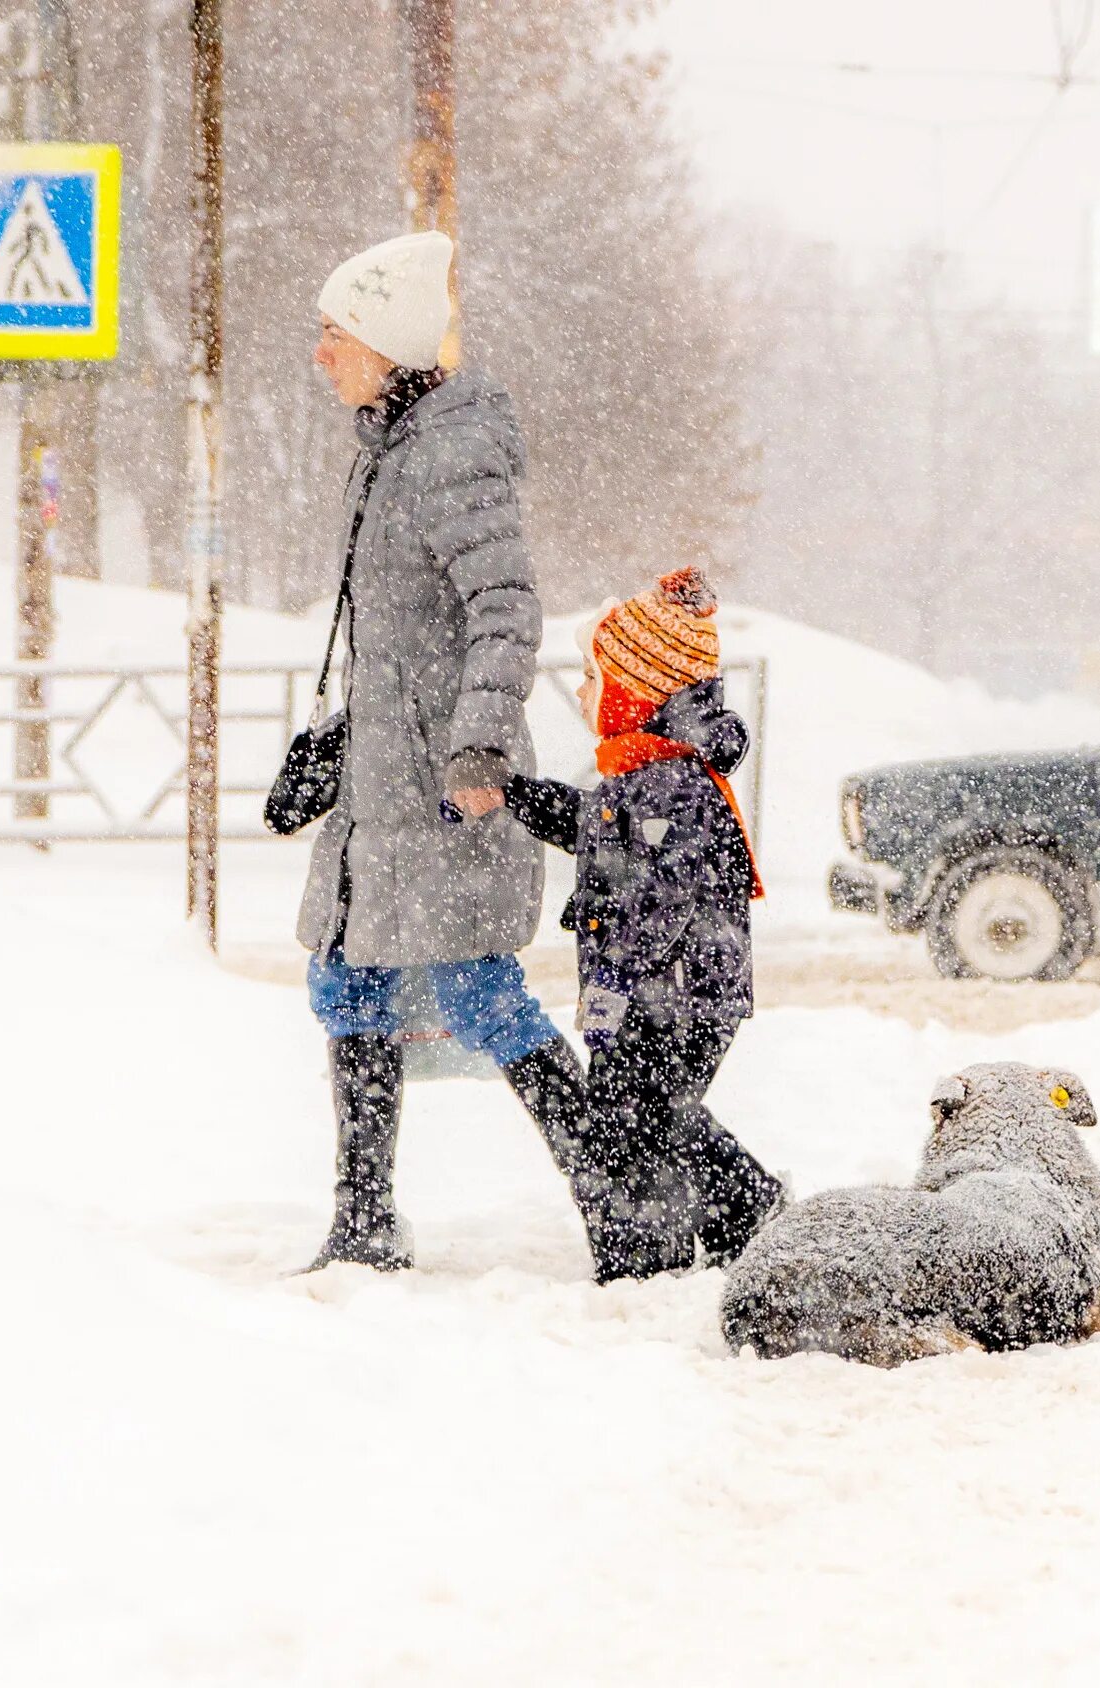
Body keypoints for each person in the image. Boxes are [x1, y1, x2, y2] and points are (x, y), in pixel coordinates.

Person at [290, 228, 604, 1273]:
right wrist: (340, 738)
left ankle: (615, 1185)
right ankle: (365, 1218)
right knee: (351, 983)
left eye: (336, 334)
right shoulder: (387, 453)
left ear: (383, 343)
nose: (322, 354)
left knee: (477, 991)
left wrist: (477, 750)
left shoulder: (448, 454)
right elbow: (400, 639)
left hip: (441, 786)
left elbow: (505, 608)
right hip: (380, 782)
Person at [484, 568, 785, 1280]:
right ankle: (682, 1239)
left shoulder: (668, 785)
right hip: (658, 996)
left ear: (634, 692)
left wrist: (613, 967)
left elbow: (661, 902)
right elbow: (593, 827)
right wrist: (518, 797)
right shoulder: (642, 776)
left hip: (673, 998)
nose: (583, 694)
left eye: (593, 680)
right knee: (650, 1119)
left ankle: (734, 1214)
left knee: (644, 1117)